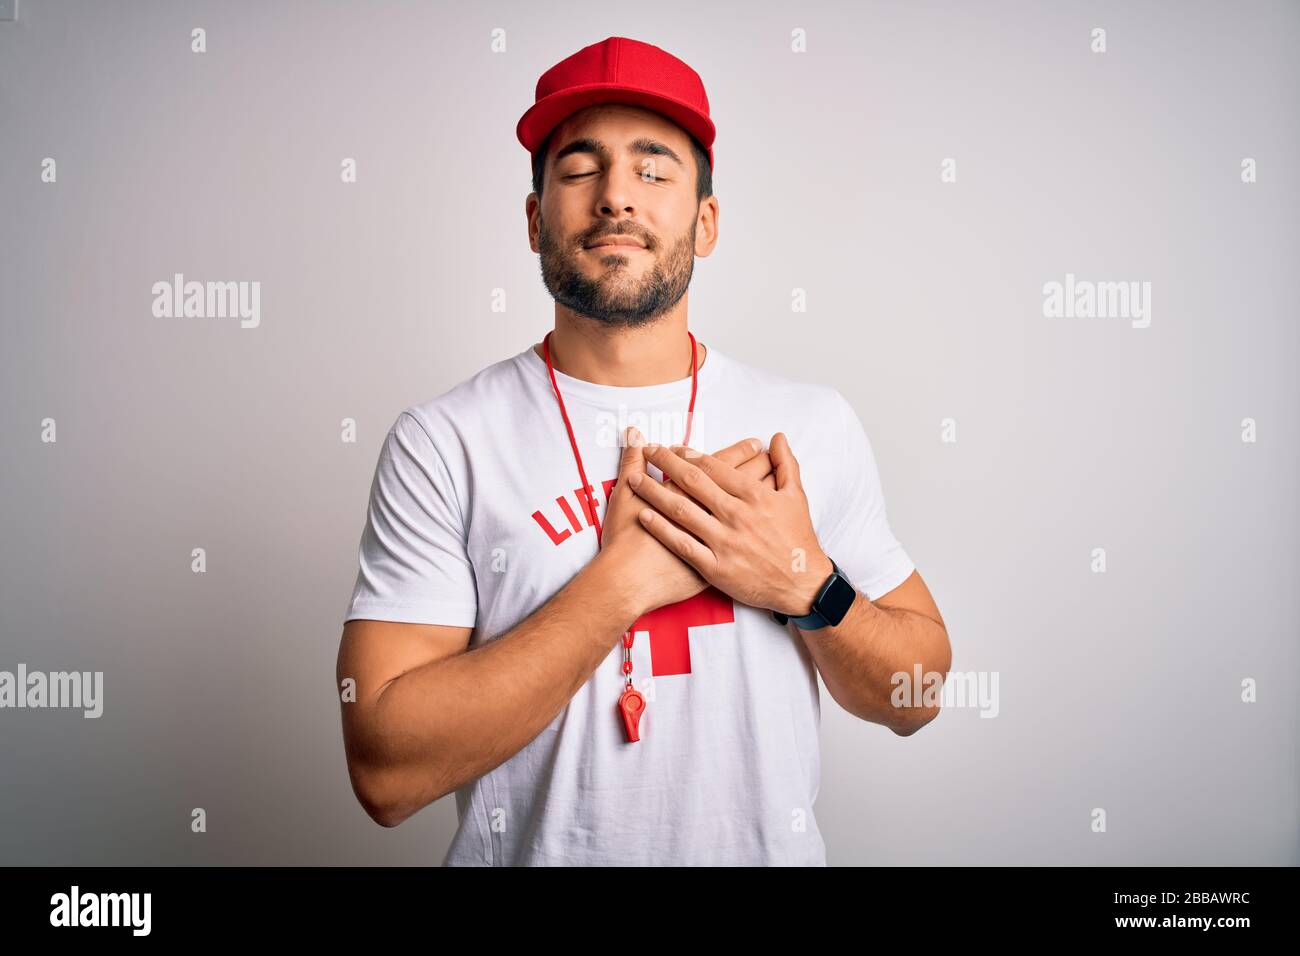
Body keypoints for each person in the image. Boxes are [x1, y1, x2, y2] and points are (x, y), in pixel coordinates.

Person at [336, 36, 950, 866]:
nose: (617, 196)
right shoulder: (444, 443)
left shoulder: (806, 426)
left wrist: (804, 580)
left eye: (654, 169)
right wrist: (621, 584)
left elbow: (919, 694)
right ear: (533, 219)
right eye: (580, 169)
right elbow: (384, 772)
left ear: (705, 223)